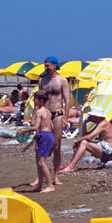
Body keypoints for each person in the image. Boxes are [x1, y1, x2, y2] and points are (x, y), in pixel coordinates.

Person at [38, 56, 71, 184]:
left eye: (48, 66)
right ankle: (41, 175)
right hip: (45, 114)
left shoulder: (62, 80)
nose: (46, 68)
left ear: (55, 66)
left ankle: (56, 175)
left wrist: (66, 117)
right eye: (45, 65)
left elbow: (67, 99)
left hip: (57, 114)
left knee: (57, 146)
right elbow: (39, 99)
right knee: (42, 144)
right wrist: (37, 115)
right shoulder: (42, 81)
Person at [25, 92, 55, 193]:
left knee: (41, 163)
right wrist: (38, 138)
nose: (34, 101)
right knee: (39, 162)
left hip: (45, 136)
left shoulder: (39, 112)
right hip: (48, 135)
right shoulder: (48, 111)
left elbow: (36, 127)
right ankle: (40, 185)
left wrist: (23, 130)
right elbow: (52, 126)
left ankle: (50, 186)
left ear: (41, 100)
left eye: (35, 99)